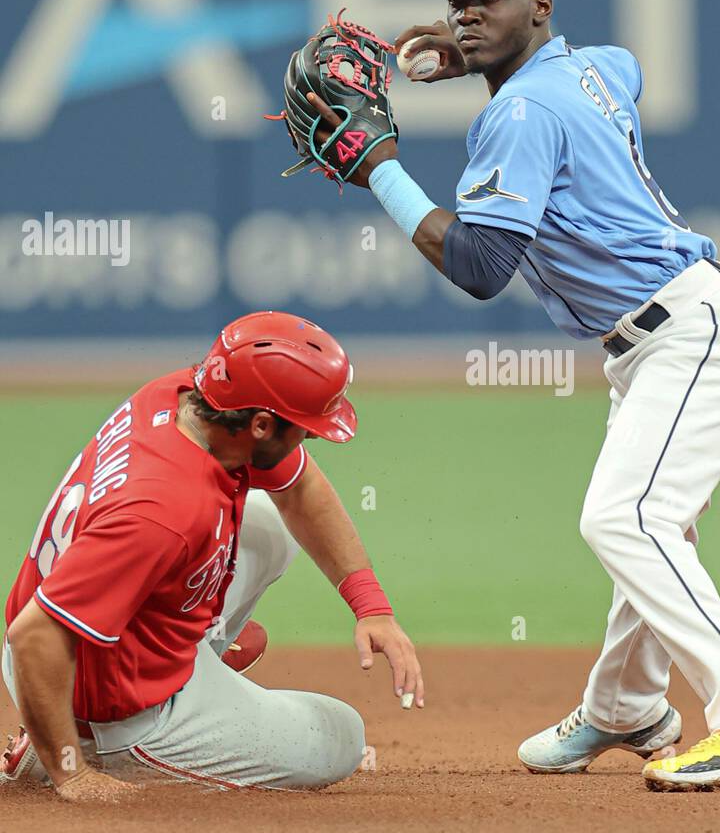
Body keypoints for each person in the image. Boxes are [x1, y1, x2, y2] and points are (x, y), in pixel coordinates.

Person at [306, 0, 720, 791]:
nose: (465, 13)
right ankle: (625, 709)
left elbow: (480, 268)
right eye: (457, 0)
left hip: (695, 334)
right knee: (654, 522)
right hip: (677, 332)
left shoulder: (522, 114)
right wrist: (483, 59)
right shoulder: (590, 67)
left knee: (626, 520)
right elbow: (624, 65)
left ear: (537, 2)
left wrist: (379, 167)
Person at [2, 310, 423, 803]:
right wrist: (71, 772)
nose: (312, 436)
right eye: (306, 426)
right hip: (100, 697)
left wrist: (371, 605)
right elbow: (34, 636)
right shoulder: (163, 511)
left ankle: (191, 648)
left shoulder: (185, 396)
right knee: (341, 737)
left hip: (92, 622)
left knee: (268, 523)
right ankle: (81, 748)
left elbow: (301, 486)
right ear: (262, 425)